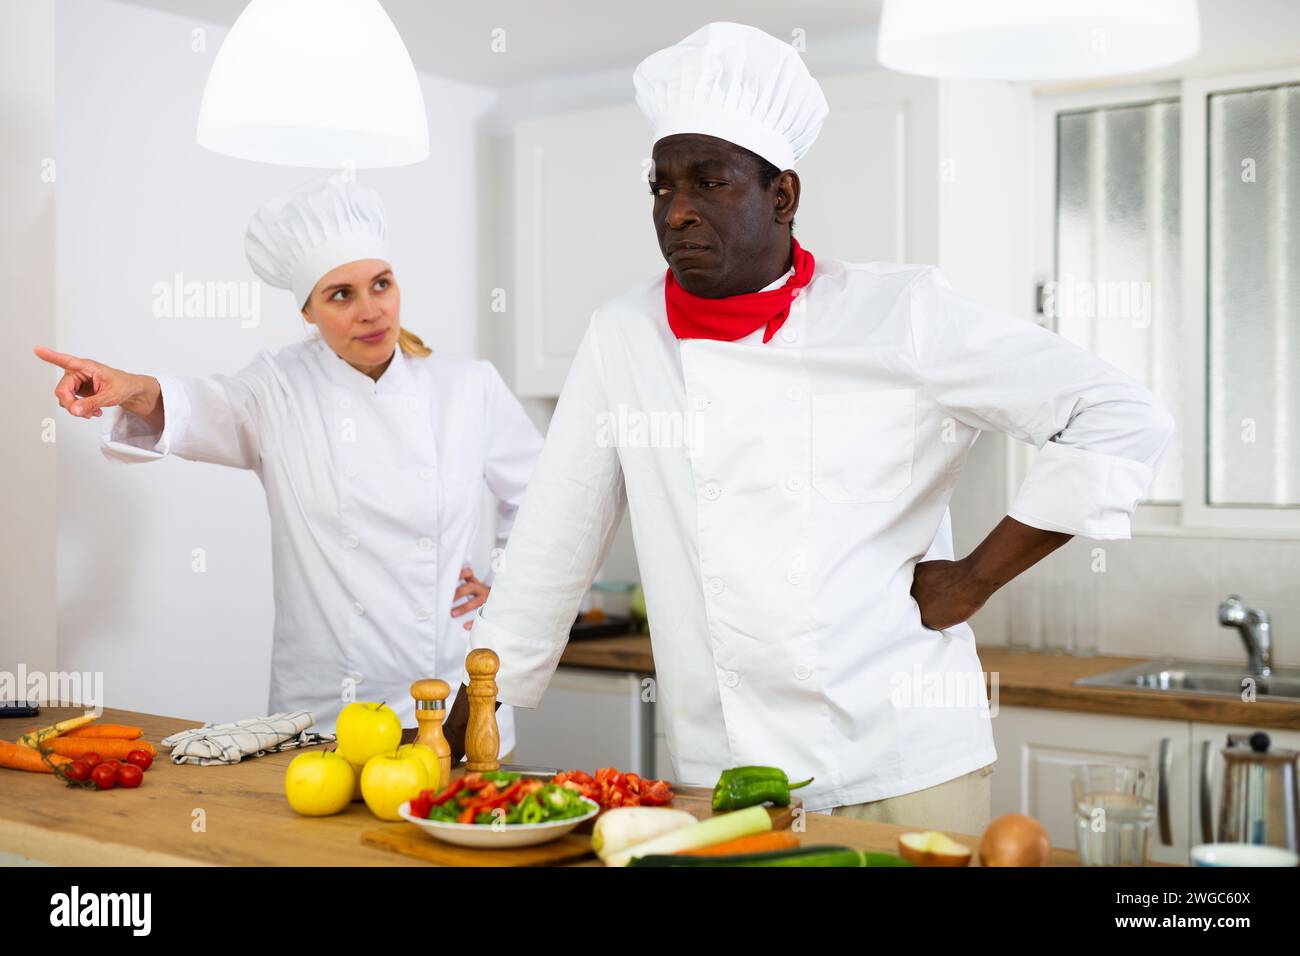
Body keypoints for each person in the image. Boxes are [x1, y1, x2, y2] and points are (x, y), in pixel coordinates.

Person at [442, 22, 1177, 830]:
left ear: (782, 195)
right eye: (661, 187)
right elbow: (553, 539)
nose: (677, 212)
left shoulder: (900, 315)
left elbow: (1118, 415)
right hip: (725, 774)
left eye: (708, 182)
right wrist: (475, 714)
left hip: (905, 760)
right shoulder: (622, 334)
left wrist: (971, 580)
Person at [35, 175, 543, 755]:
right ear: (308, 311)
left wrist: (503, 589)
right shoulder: (277, 389)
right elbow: (204, 404)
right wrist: (127, 388)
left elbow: (539, 495)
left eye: (381, 284)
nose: (371, 311)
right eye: (341, 295)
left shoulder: (467, 387)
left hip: (452, 702)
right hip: (326, 708)